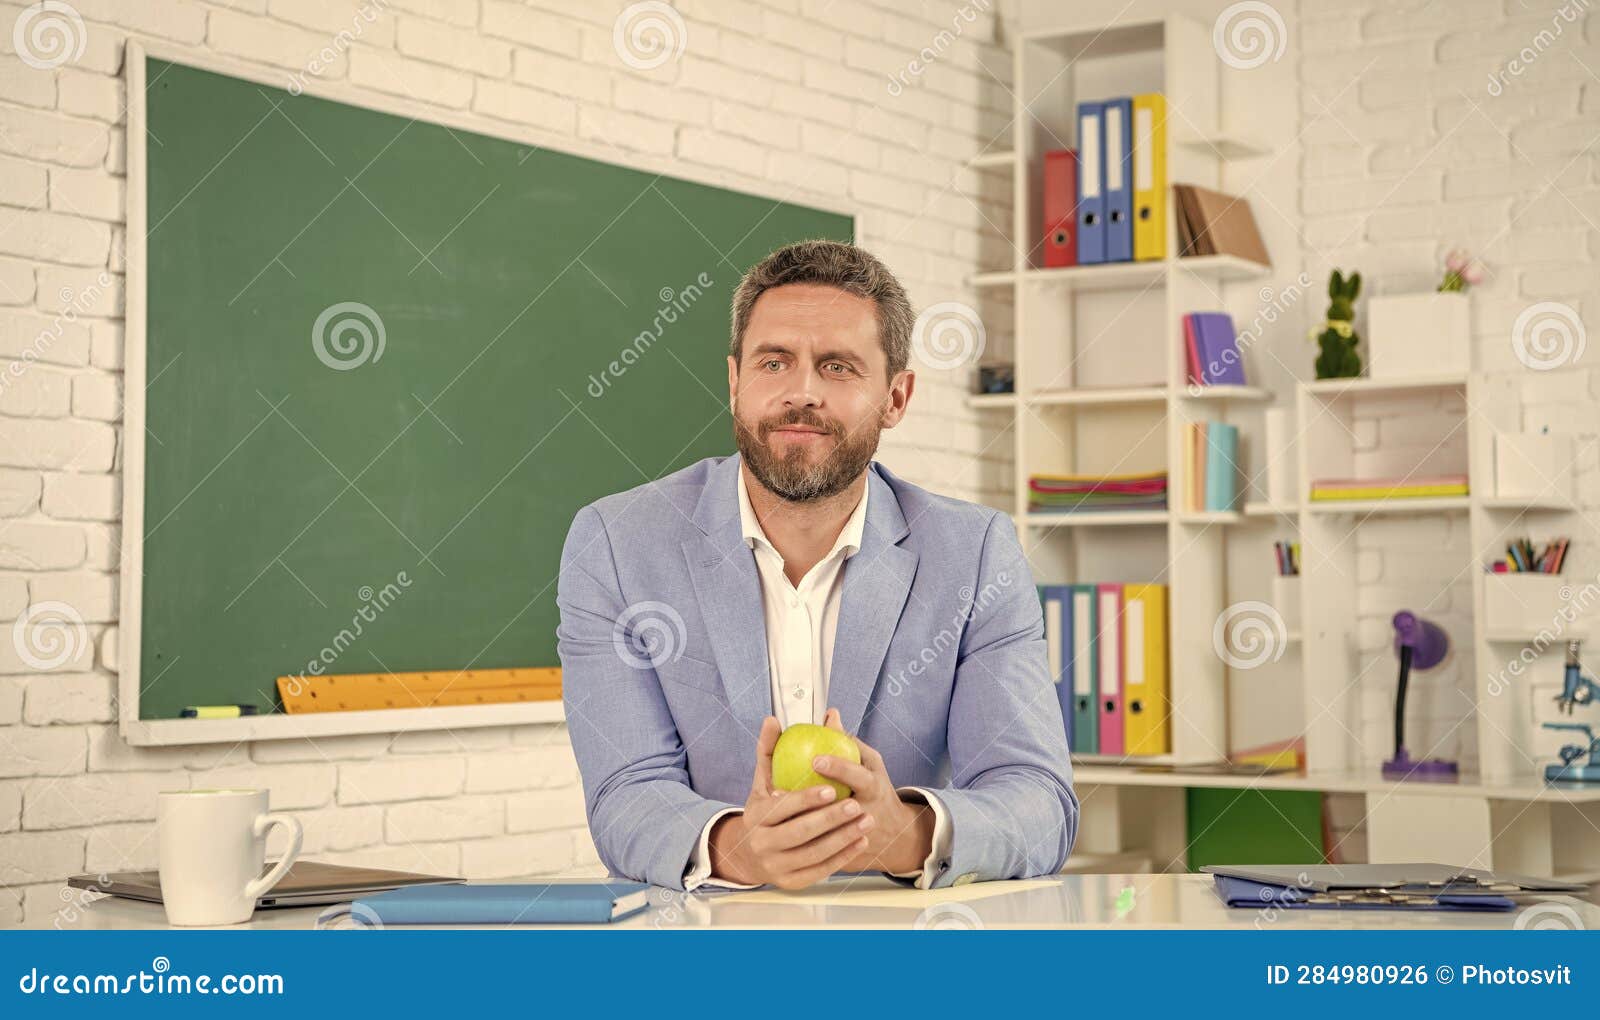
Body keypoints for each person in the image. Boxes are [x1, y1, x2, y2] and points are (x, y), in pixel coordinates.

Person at [557, 240, 1077, 891]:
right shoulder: (616, 544)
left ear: (896, 397)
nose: (801, 393)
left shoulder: (974, 557)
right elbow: (625, 794)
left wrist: (901, 833)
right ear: (735, 381)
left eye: (837, 367)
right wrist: (741, 848)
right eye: (774, 362)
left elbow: (1038, 803)